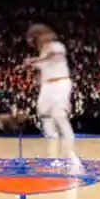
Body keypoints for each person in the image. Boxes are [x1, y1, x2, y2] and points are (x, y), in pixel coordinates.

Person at [24, 23, 78, 166]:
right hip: (47, 87)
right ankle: (54, 157)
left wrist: (34, 61)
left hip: (60, 84)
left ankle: (71, 156)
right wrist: (32, 66)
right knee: (44, 115)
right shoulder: (42, 52)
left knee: (59, 117)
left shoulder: (57, 46)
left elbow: (53, 55)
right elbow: (43, 67)